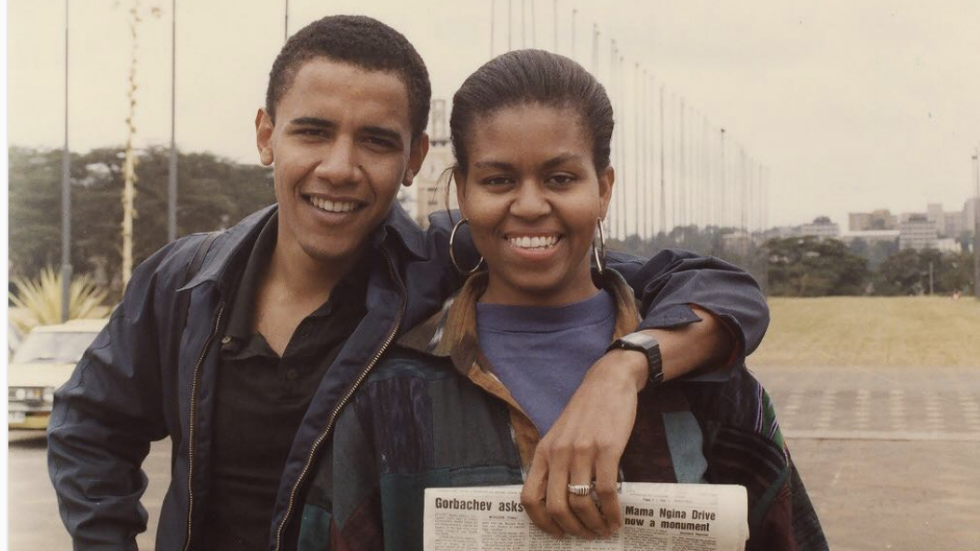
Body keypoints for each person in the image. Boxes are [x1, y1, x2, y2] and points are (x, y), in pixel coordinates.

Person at [47, 16, 771, 551]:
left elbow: (706, 285)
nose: (339, 165)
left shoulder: (441, 261)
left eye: (376, 141)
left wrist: (624, 367)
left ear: (418, 157)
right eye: (312, 131)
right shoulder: (184, 280)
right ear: (267, 134)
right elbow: (89, 426)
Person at [295, 49, 826, 551]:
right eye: (499, 179)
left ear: (604, 189)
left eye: (560, 178)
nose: (529, 205)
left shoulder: (707, 379)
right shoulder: (388, 390)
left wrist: (624, 371)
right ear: (460, 192)